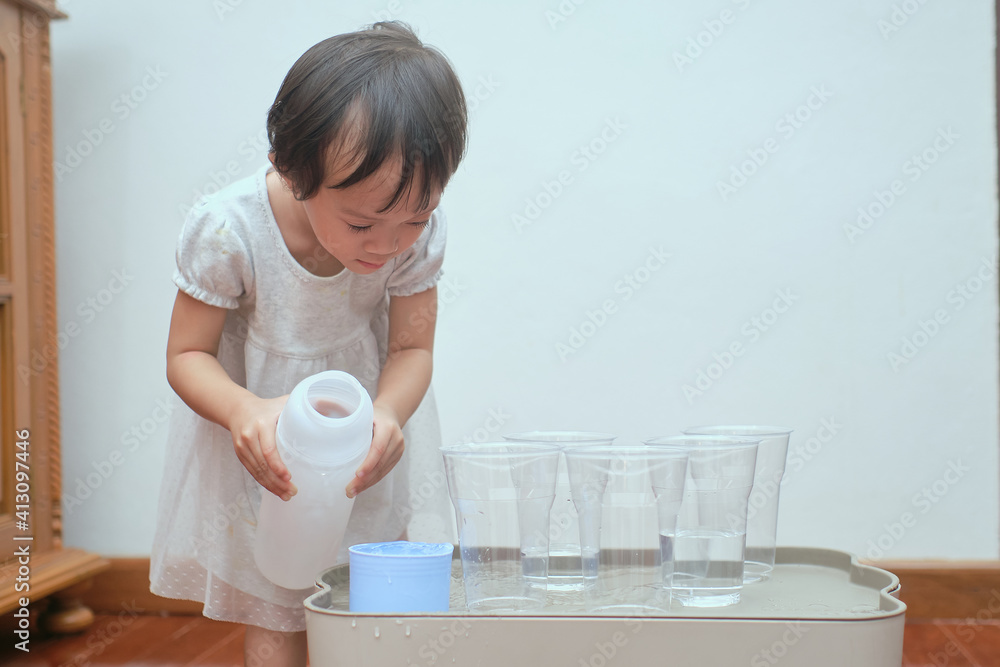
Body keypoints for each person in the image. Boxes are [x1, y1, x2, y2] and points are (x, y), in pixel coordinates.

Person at [150, 22, 467, 666]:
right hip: (266, 449)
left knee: (373, 594)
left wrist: (388, 414)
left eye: (416, 217)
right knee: (279, 601)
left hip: (362, 439)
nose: (390, 244)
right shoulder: (229, 230)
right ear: (291, 171)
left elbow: (412, 350)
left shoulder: (412, 237)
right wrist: (242, 411)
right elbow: (186, 355)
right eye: (361, 223)